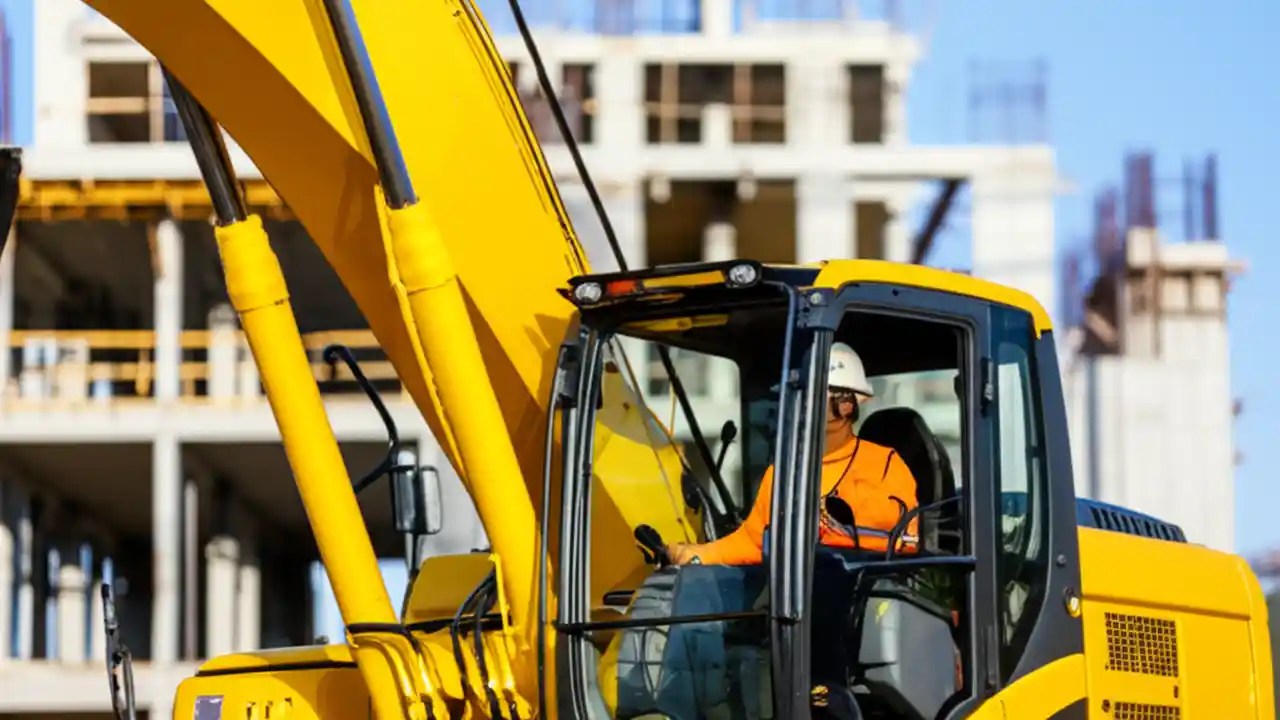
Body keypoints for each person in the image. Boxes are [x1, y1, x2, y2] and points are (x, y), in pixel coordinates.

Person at [667, 342, 919, 566]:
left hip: (864, 605)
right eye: (802, 398)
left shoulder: (885, 465)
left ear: (847, 405)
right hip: (792, 607)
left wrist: (825, 535)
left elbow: (904, 544)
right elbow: (750, 543)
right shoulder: (782, 473)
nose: (803, 408)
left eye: (815, 398)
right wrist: (696, 555)